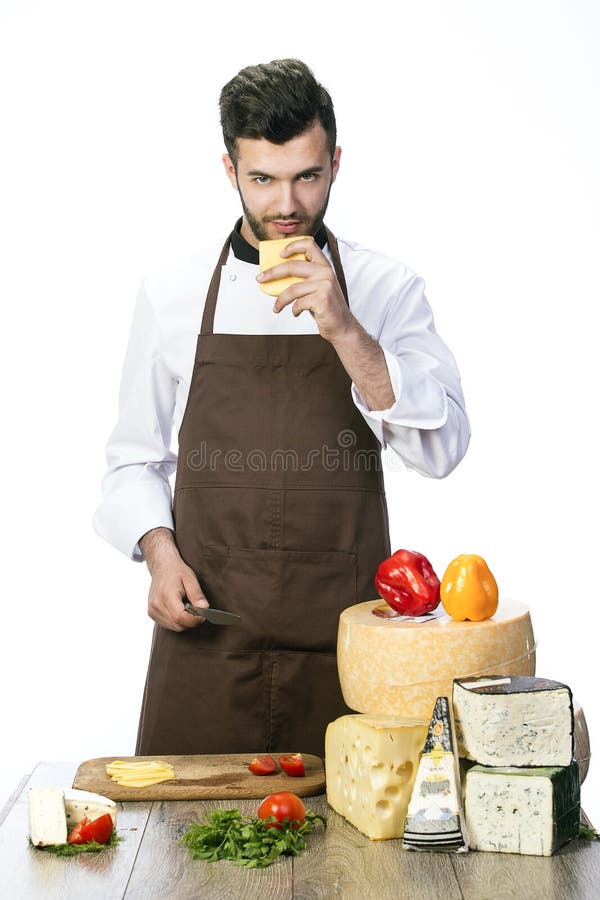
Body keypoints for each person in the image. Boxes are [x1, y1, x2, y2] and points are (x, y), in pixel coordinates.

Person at [93, 58, 470, 758]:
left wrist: (345, 329)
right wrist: (158, 553)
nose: (286, 203)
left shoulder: (386, 289)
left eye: (307, 176)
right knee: (182, 857)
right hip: (209, 637)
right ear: (230, 170)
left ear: (335, 163)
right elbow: (132, 461)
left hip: (348, 645)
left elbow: (442, 449)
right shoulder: (172, 292)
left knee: (358, 860)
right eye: (263, 179)